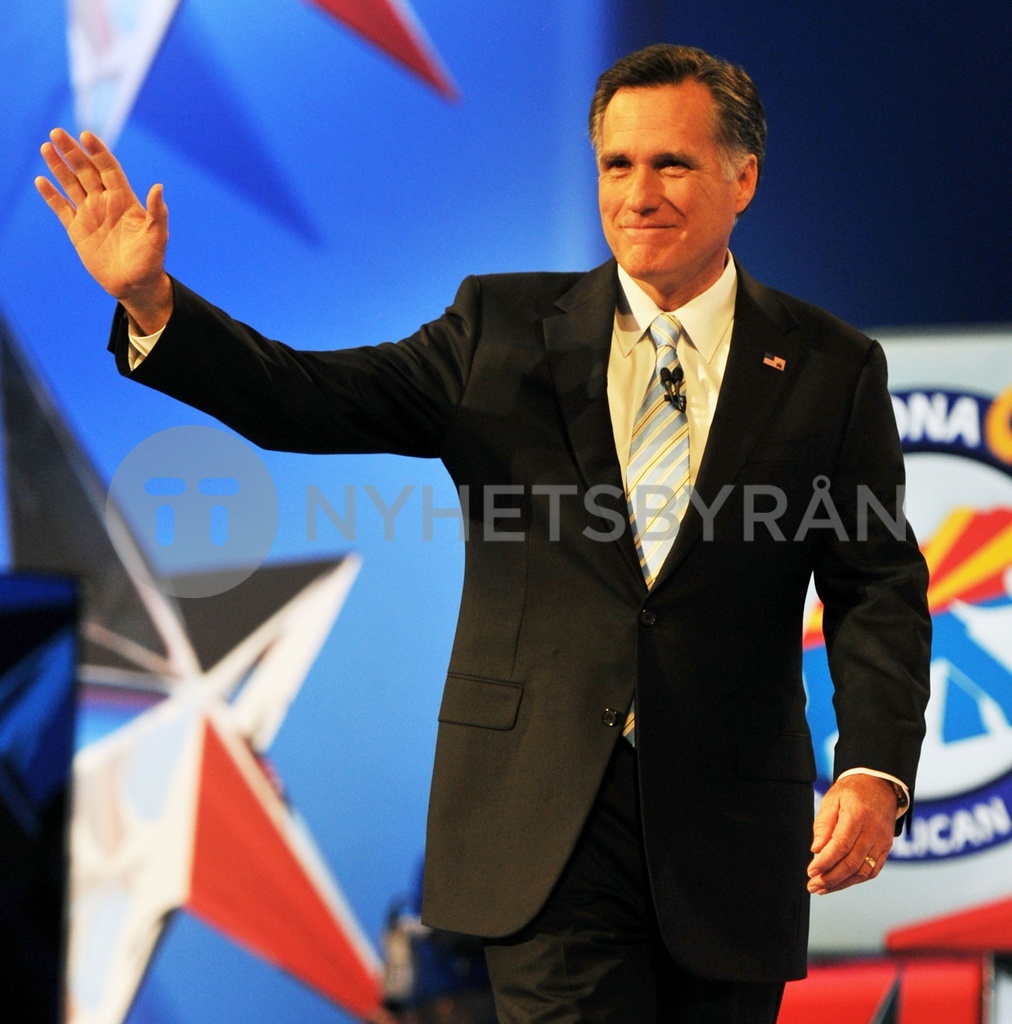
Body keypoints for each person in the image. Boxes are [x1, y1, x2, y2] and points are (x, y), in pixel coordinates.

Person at [37, 43, 930, 1024]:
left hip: (728, 836)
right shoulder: (498, 327)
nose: (639, 193)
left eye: (670, 163)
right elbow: (309, 398)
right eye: (616, 165)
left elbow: (876, 582)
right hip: (542, 826)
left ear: (742, 176)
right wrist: (153, 305)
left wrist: (873, 768)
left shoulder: (827, 366)